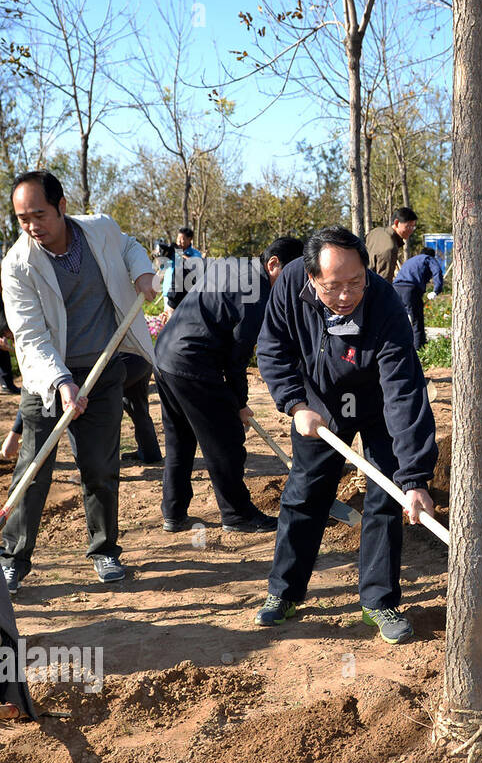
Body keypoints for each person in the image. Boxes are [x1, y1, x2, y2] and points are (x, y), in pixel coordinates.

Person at [254, 227, 438, 643]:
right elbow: (272, 347)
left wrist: (413, 477)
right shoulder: (288, 287)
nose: (346, 295)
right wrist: (295, 403)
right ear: (312, 277)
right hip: (317, 404)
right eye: (333, 286)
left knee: (385, 497)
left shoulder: (386, 305)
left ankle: (379, 600)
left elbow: (403, 391)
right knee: (305, 494)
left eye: (356, 282)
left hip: (377, 405)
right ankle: (283, 593)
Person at [1, 170, 158, 592]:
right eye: (21, 218)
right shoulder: (17, 266)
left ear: (62, 206)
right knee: (33, 469)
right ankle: (12, 558)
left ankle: (104, 549)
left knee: (101, 466)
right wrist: (61, 382)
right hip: (47, 379)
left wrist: (142, 274)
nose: (32, 226)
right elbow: (30, 337)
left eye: (39, 214)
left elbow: (129, 246)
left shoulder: (100, 230)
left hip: (104, 370)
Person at [154, 236, 303, 536]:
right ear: (273, 264)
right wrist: (239, 402)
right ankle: (237, 515)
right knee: (226, 442)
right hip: (192, 363)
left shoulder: (236, 265)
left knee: (180, 440)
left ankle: (173, 512)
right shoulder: (258, 294)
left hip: (165, 354)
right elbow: (238, 356)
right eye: (293, 275)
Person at [392, 246, 444, 348]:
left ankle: (397, 346)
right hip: (410, 290)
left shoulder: (411, 260)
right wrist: (436, 290)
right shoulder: (428, 258)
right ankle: (418, 348)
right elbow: (437, 271)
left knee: (398, 319)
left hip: (396, 289)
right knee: (417, 320)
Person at [120, 353, 162, 464]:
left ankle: (96, 471)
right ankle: (150, 453)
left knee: (103, 411)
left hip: (123, 359)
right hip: (143, 356)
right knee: (138, 408)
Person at [364, 206, 418, 283]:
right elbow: (384, 282)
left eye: (413, 227)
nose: (411, 230)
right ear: (396, 223)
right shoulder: (391, 248)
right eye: (408, 226)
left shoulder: (375, 231)